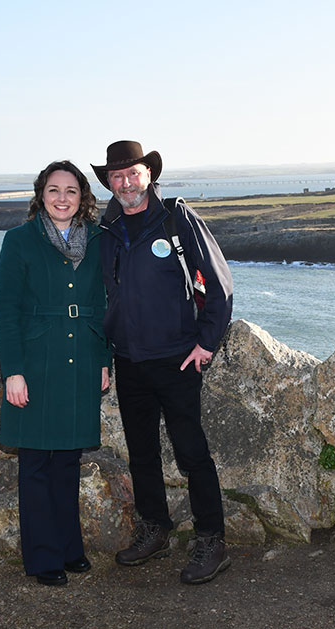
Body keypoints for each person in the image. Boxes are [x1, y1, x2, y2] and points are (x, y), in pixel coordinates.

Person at [92, 140, 234, 585]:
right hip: (129, 361)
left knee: (192, 453)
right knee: (142, 455)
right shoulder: (107, 227)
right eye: (116, 176)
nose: (125, 182)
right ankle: (155, 530)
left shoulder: (175, 217)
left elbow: (219, 282)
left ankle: (212, 541)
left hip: (177, 359)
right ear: (109, 184)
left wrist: (206, 343)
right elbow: (102, 295)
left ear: (147, 175)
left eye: (132, 173)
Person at [0, 160, 110, 587]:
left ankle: (69, 547)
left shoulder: (98, 240)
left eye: (71, 191)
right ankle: (43, 557)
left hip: (81, 357)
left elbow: (101, 304)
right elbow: (7, 311)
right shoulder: (19, 241)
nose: (62, 198)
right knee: (36, 462)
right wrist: (14, 372)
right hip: (36, 361)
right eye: (54, 190)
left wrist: (103, 359)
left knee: (67, 460)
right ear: (40, 195)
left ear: (82, 198)